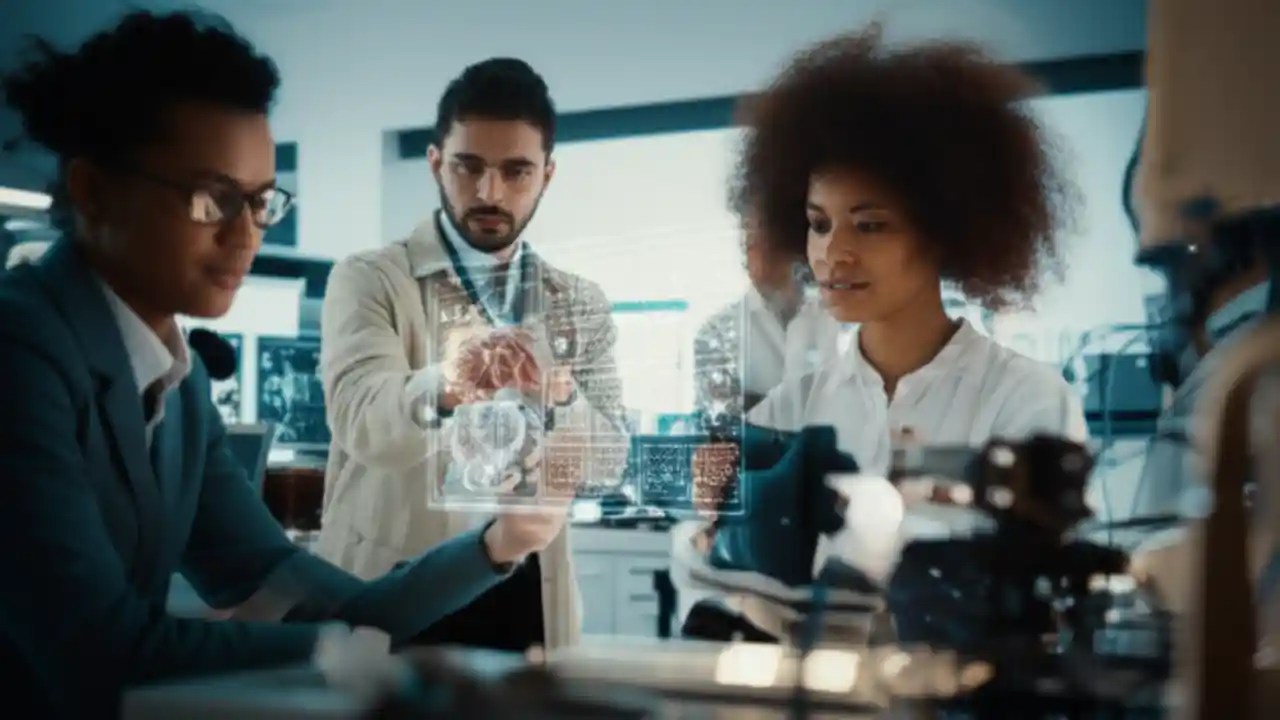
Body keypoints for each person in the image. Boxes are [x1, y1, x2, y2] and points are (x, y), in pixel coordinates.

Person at [0, 13, 565, 718]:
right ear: (93, 190)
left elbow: (326, 603)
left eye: (262, 201)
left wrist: (499, 542)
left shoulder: (179, 387)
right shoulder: (21, 352)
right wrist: (356, 658)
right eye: (214, 199)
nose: (246, 236)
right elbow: (96, 651)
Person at [674, 27, 1088, 640]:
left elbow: (1037, 614)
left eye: (869, 226)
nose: (832, 253)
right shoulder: (793, 406)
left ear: (944, 231)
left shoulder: (1026, 401)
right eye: (819, 224)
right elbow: (734, 590)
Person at [316, 58, 627, 652]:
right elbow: (363, 425)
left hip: (526, 592)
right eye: (468, 167)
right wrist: (453, 383)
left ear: (547, 175)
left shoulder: (580, 303)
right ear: (436, 163)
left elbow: (610, 460)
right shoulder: (371, 279)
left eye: (516, 171)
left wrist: (561, 401)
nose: (490, 192)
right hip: (396, 588)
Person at [693, 205, 842, 425]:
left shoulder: (839, 319)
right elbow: (721, 429)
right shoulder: (717, 333)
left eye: (765, 235)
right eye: (748, 237)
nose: (752, 246)